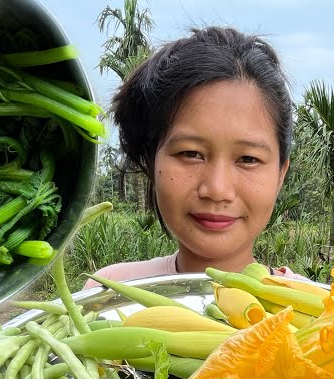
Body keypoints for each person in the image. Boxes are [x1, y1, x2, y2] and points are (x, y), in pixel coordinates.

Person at [86, 26, 299, 287]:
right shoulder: (106, 292)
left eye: (248, 159)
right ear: (152, 163)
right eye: (191, 153)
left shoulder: (328, 313)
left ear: (280, 174)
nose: (217, 189)